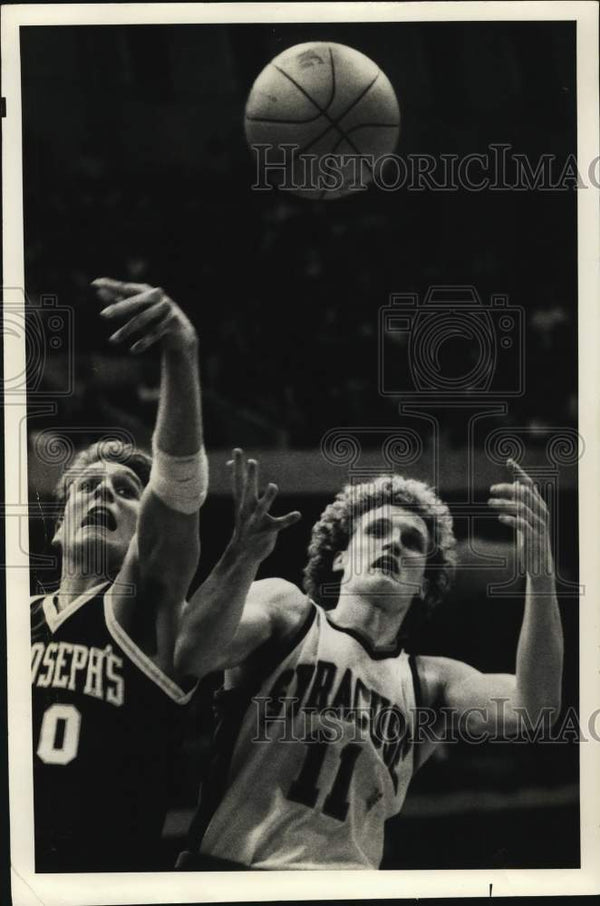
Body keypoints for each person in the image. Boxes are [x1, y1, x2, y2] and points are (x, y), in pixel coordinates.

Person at [174, 450, 564, 870]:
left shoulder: (430, 682)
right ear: (340, 558)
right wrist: (241, 557)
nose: (394, 543)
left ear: (422, 584)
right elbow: (191, 653)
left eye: (412, 541)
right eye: (377, 531)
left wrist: (540, 573)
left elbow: (536, 709)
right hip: (236, 876)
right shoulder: (289, 612)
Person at [31, 278, 208, 871]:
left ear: (142, 531)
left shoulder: (137, 607)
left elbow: (177, 494)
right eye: (87, 486)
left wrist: (180, 354)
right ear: (57, 528)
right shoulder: (19, 615)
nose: (105, 491)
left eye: (127, 490)